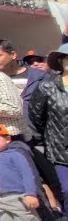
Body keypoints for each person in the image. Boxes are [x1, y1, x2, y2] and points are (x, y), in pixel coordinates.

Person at [29, 43, 68, 210]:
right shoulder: (47, 86)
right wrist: (48, 139)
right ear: (61, 61)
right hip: (60, 150)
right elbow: (36, 116)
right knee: (66, 191)